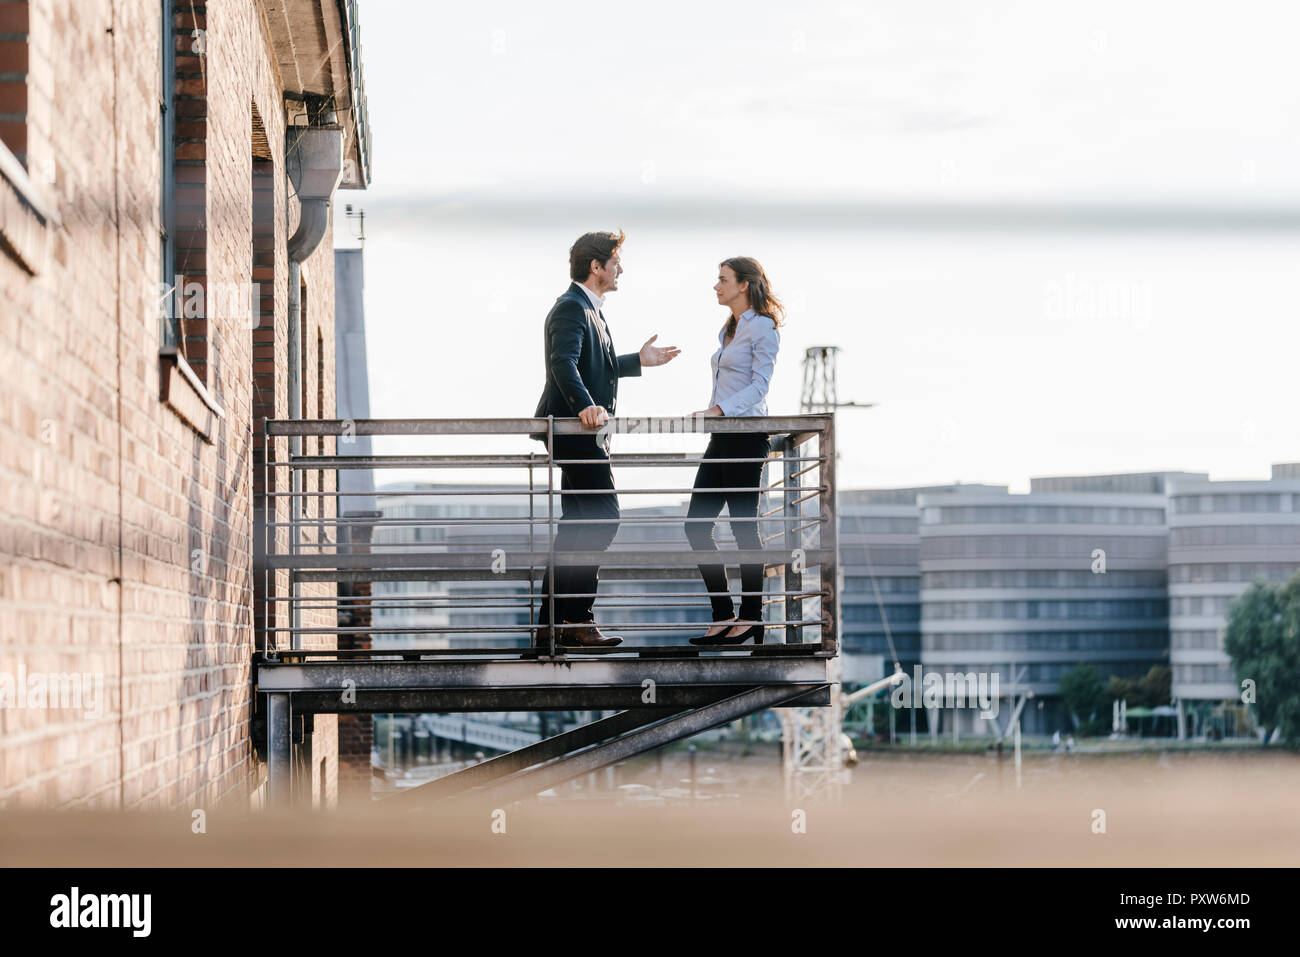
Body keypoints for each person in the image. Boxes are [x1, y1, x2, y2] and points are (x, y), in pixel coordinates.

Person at [531, 230, 680, 649]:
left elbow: (598, 362)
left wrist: (639, 361)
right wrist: (585, 405)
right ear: (595, 267)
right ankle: (576, 620)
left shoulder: (589, 309)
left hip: (583, 432)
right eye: (615, 262)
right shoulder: (571, 308)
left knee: (577, 527)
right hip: (577, 431)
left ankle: (553, 626)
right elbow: (563, 362)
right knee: (604, 517)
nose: (620, 269)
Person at [686, 257, 783, 646]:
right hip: (722, 436)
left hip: (746, 436)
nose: (716, 285)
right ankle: (724, 614)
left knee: (745, 528)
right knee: (696, 526)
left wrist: (718, 410)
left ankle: (751, 617)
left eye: (723, 279)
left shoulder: (763, 327)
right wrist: (713, 414)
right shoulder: (729, 328)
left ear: (744, 285)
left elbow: (761, 387)